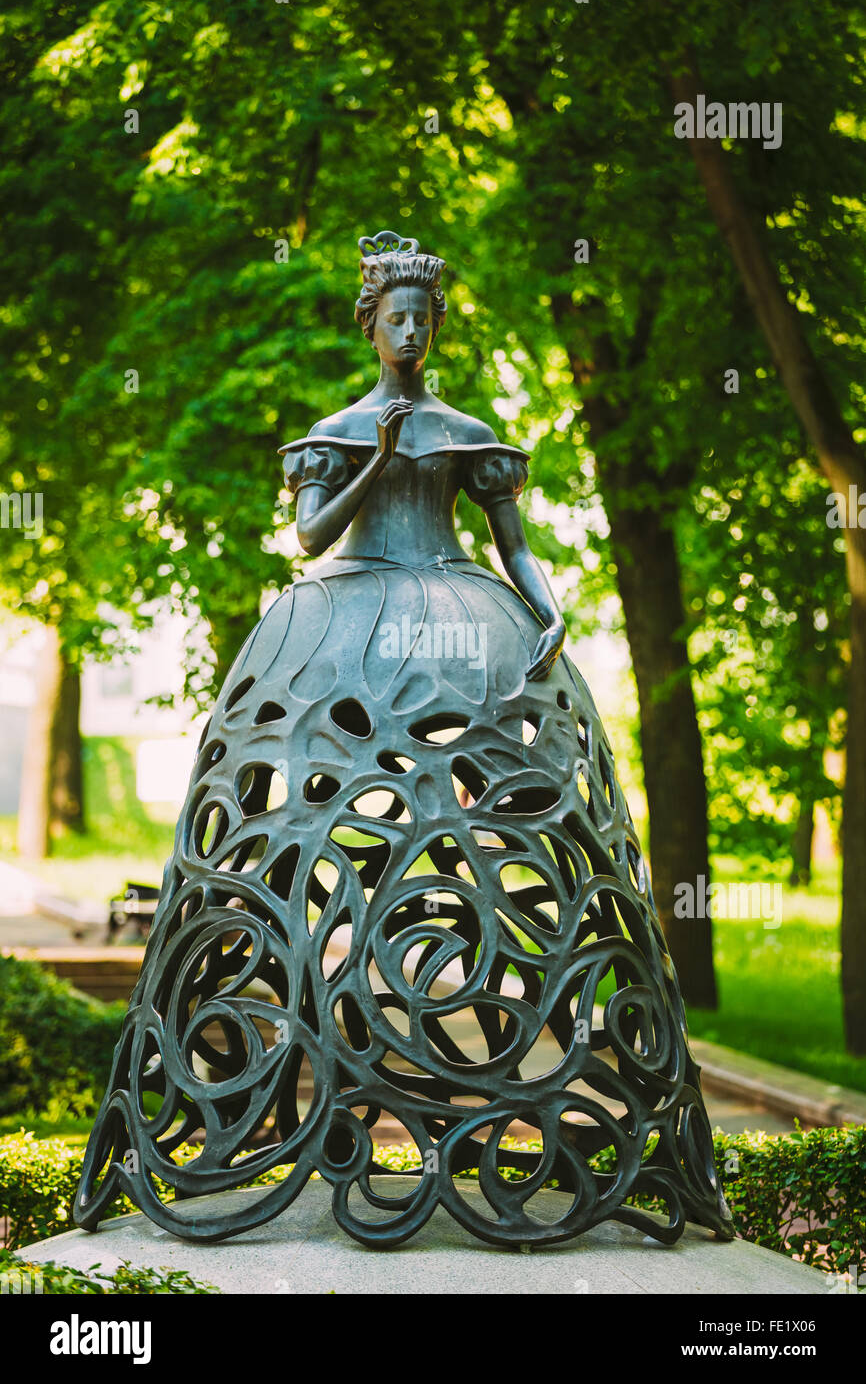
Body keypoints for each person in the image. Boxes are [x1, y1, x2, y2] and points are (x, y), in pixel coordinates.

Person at [74, 231, 732, 1249]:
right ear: (372, 325)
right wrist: (372, 460)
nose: (412, 329)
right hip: (338, 620)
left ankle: (601, 1099)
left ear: (434, 326)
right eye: (397, 315)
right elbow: (306, 537)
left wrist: (547, 608)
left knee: (516, 821)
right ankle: (237, 1096)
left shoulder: (469, 431)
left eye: (425, 315)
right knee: (294, 833)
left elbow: (514, 544)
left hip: (470, 620)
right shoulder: (335, 428)